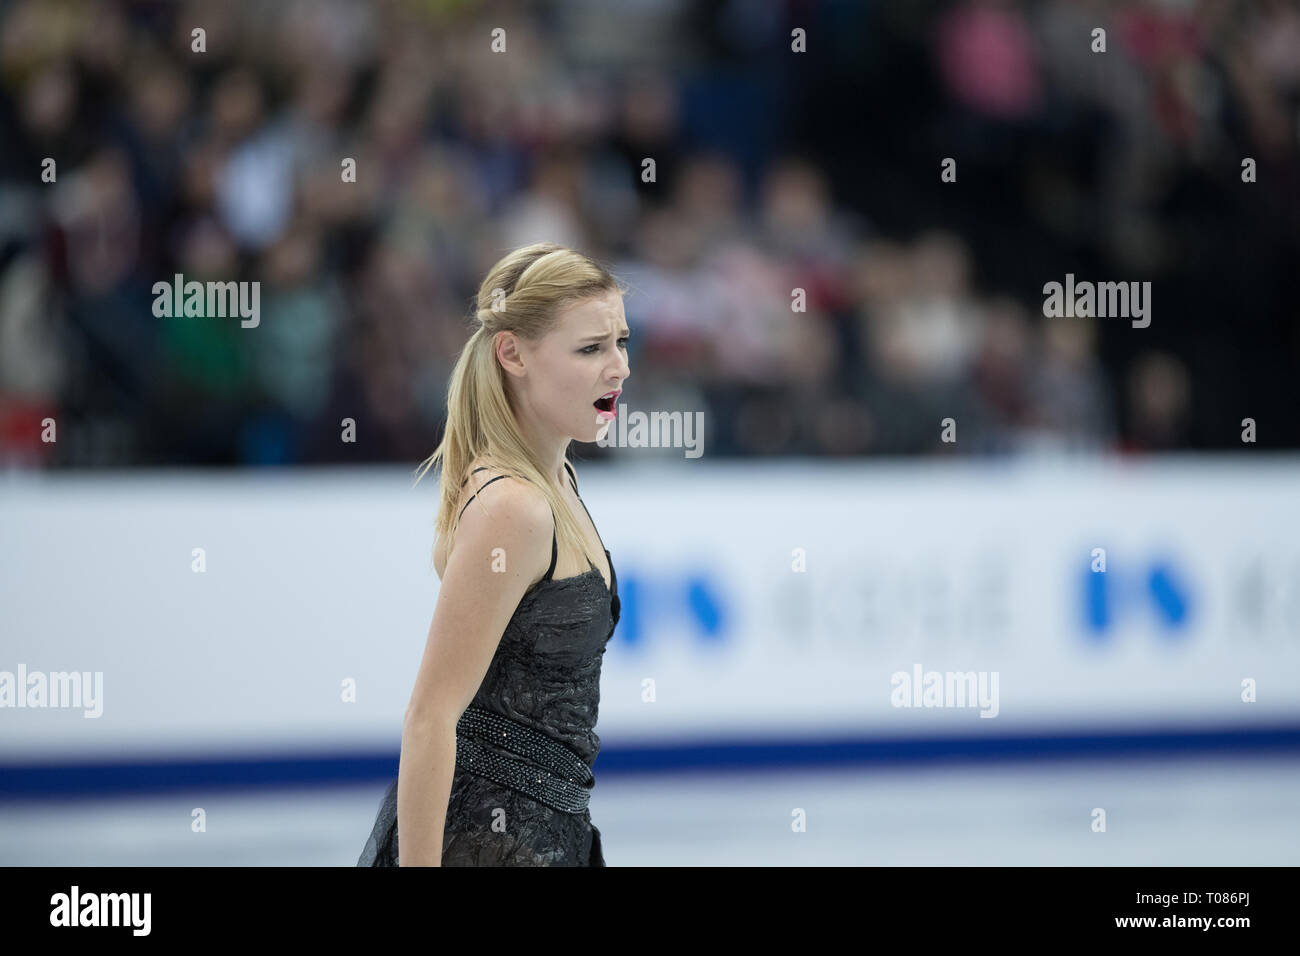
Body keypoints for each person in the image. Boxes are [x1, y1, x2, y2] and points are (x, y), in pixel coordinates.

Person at [357, 242, 629, 866]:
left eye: (622, 341)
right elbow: (430, 716)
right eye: (591, 348)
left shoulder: (558, 481)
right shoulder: (515, 507)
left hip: (549, 836)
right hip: (485, 843)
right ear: (512, 354)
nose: (619, 367)